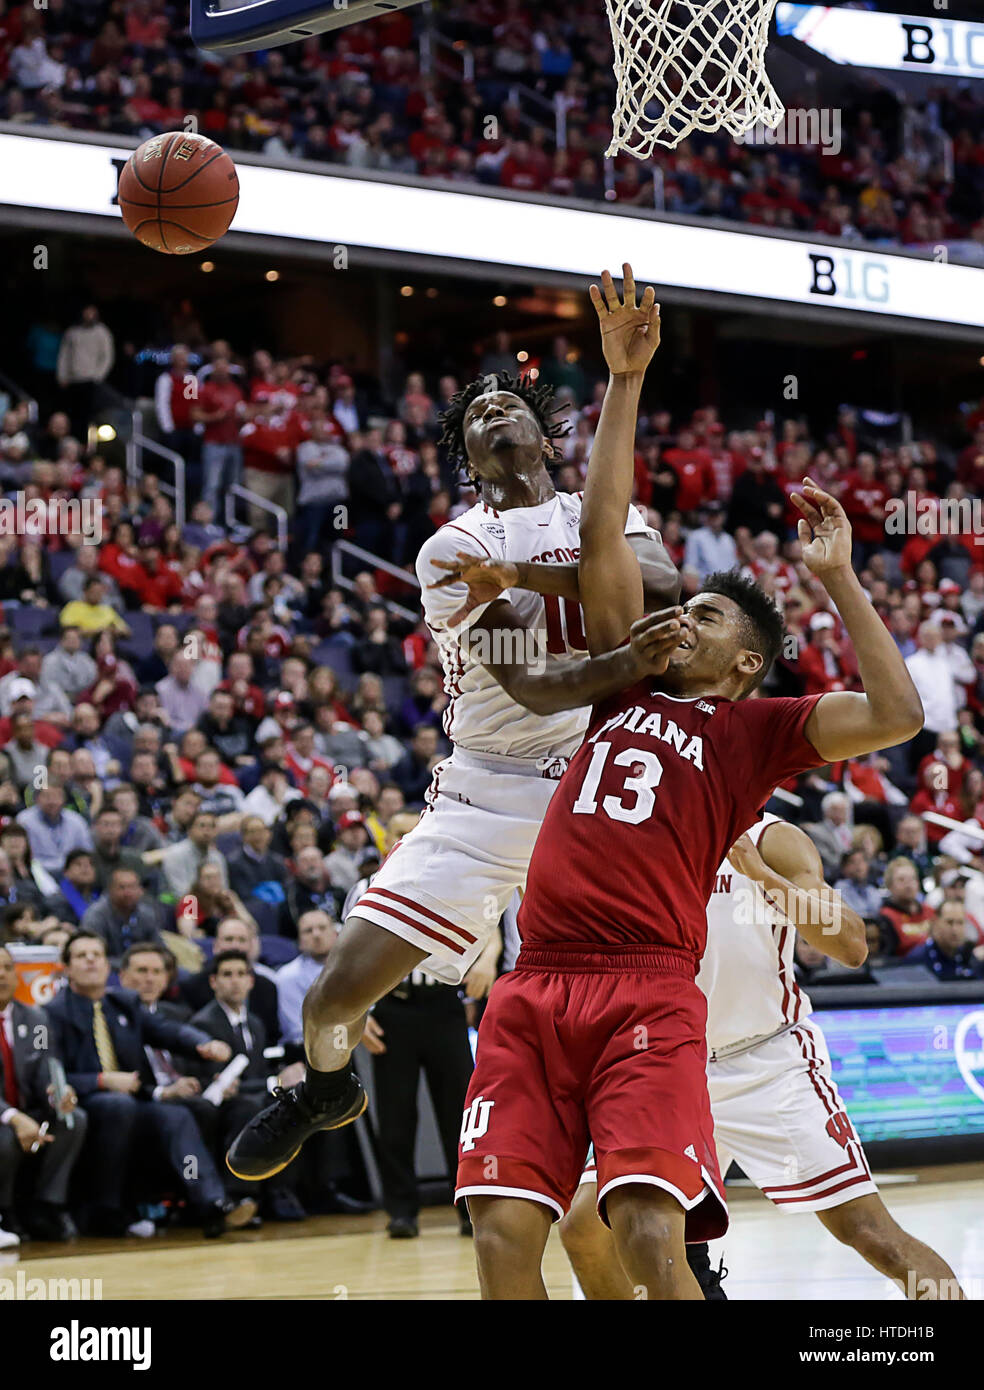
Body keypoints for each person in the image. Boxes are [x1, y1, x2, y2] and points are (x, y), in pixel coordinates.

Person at [452, 266, 922, 1299]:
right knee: (500, 1237)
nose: (683, 614)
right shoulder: (622, 683)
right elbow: (602, 526)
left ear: (745, 660)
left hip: (648, 985)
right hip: (539, 979)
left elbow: (896, 717)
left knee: (652, 1239)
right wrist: (627, 379)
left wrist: (840, 580)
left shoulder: (754, 733)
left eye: (706, 615)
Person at [226, 272, 680, 1185]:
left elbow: (666, 593)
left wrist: (623, 388)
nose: (493, 413)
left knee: (685, 990)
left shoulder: (610, 513)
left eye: (509, 402)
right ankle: (321, 1091)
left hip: (602, 787)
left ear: (548, 433)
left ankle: (677, 1199)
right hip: (488, 789)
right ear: (467, 455)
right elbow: (541, 684)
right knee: (333, 997)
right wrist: (630, 658)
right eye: (476, 416)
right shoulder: (453, 546)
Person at [560, 818, 963, 1300]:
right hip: (675, 1064)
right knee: (584, 1228)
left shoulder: (774, 839)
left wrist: (763, 876)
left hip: (769, 1061)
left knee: (869, 1232)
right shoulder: (648, 829)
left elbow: (852, 944)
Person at [44, 932, 247, 1238]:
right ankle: (107, 1209)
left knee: (177, 1115)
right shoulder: (51, 1013)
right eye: (81, 955)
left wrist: (203, 1044)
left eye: (96, 954)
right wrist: (100, 1080)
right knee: (118, 1104)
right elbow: (50, 1073)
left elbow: (168, 1031)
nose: (90, 960)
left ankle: (209, 1200)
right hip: (85, 1101)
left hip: (133, 1101)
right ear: (66, 968)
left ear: (107, 965)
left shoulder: (122, 1003)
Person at [0, 943, 87, 1241]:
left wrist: (57, 1094)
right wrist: (12, 1117)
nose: (1, 975)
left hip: (28, 1110)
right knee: (5, 1136)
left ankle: (48, 1205)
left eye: (8, 968)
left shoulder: (35, 1019)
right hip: (4, 1116)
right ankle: (5, 1212)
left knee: (72, 1118)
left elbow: (44, 1070)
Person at [906, 900, 984, 980]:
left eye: (960, 923)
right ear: (936, 924)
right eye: (949, 922)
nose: (955, 929)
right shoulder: (918, 958)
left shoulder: (968, 958)